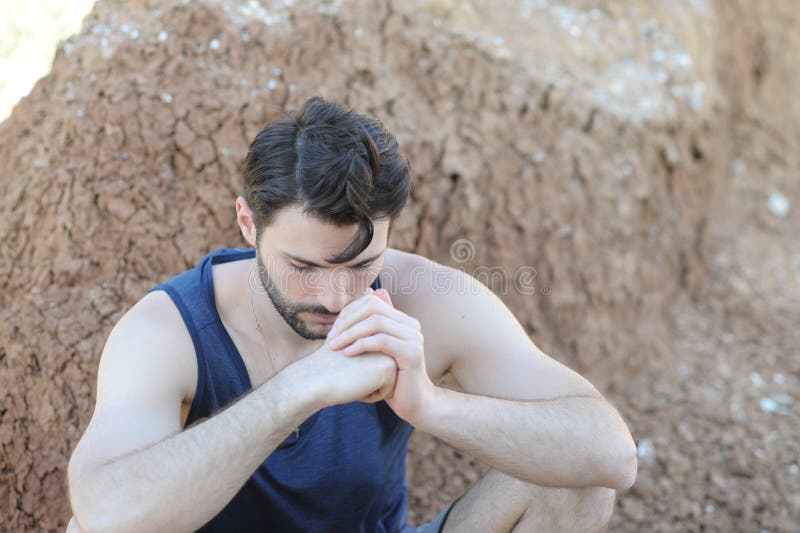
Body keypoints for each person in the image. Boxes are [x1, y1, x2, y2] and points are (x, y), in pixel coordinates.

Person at [66, 96, 636, 533]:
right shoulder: (168, 329)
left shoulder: (425, 297)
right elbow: (103, 508)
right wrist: (297, 390)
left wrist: (428, 404)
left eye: (362, 263)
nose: (336, 299)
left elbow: (611, 455)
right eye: (304, 266)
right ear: (248, 224)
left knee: (577, 484)